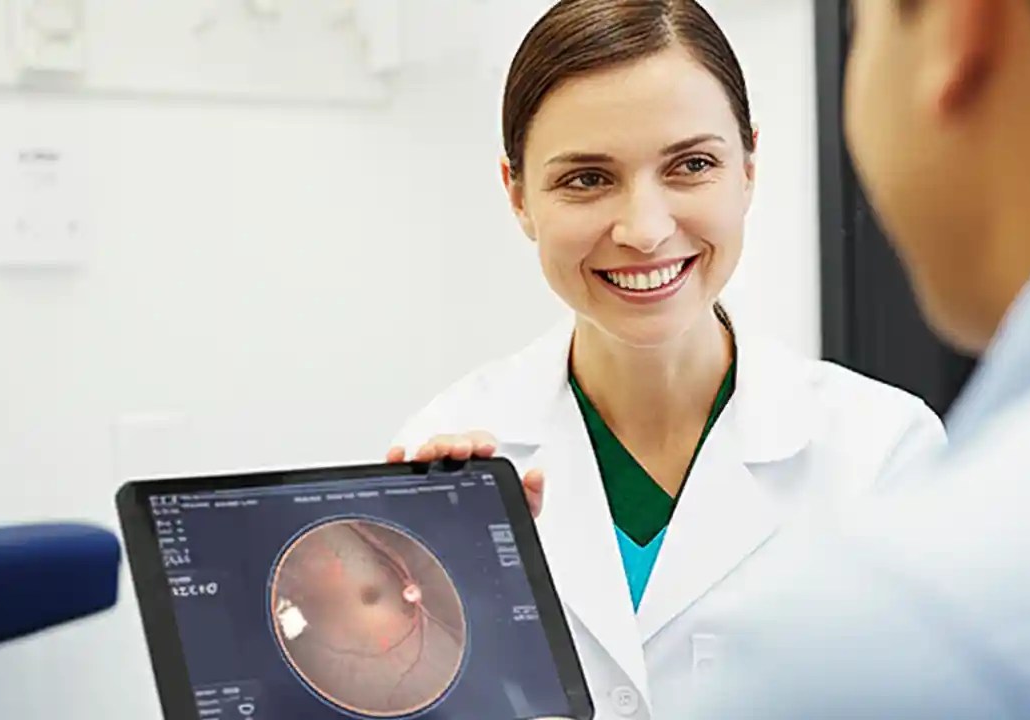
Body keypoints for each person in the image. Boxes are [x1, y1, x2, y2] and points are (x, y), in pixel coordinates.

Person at [384, 1, 947, 717]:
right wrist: (431, 630)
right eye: (587, 178)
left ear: (747, 169)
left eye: (691, 165)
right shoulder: (449, 454)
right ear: (518, 195)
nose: (645, 231)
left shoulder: (882, 453)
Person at [683, 0, 1030, 717]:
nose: (644, 228)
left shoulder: (894, 630)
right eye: (586, 178)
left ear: (959, 24)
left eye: (859, 26)